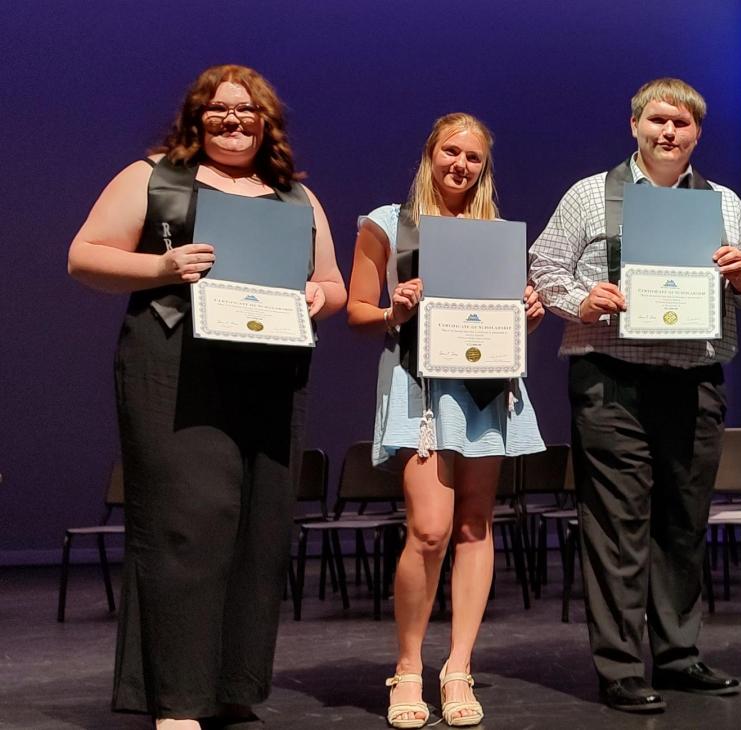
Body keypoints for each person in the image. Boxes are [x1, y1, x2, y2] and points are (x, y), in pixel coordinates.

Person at [66, 64, 346, 728]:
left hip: (269, 372)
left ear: (266, 122)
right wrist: (160, 266)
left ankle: (231, 686)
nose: (232, 120)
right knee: (185, 527)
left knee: (257, 529)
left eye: (247, 111)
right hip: (174, 368)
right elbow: (84, 256)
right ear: (197, 117)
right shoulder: (153, 177)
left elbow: (331, 283)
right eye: (218, 110)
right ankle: (177, 700)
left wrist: (318, 298)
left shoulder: (294, 198)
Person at [528, 78, 741, 713]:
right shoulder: (591, 195)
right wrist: (580, 299)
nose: (669, 132)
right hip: (612, 378)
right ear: (635, 125)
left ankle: (677, 654)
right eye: (658, 121)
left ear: (698, 133)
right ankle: (619, 666)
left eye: (682, 124)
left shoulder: (723, 204)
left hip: (694, 380)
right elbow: (543, 268)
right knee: (616, 527)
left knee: (683, 522)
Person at [346, 112, 545, 728]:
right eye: (450, 152)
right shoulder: (388, 224)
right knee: (429, 530)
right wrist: (392, 309)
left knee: (475, 527)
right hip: (420, 389)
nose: (460, 164)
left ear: (485, 168)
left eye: (473, 158)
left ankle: (458, 665)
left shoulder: (495, 234)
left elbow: (510, 321)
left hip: (486, 386)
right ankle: (408, 667)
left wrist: (530, 314)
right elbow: (354, 310)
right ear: (430, 154)